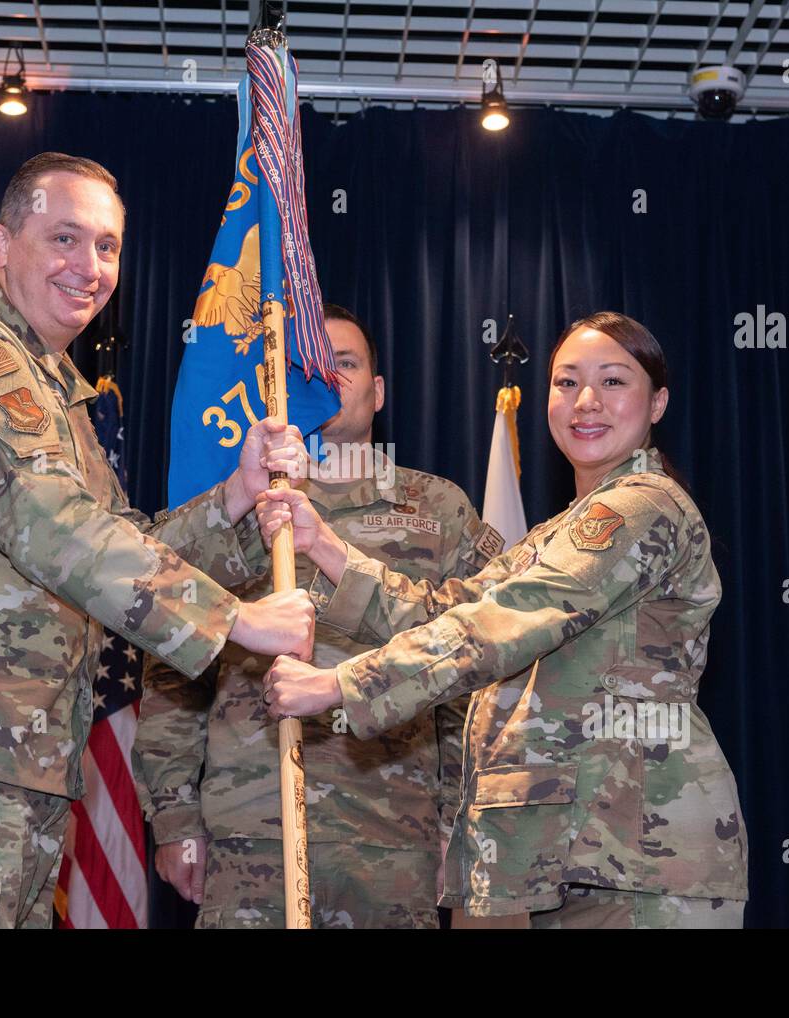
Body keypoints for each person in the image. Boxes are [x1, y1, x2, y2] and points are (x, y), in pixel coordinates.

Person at [0, 152, 315, 929]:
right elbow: (54, 527)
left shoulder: (59, 397)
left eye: (108, 246)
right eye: (65, 239)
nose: (90, 266)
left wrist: (237, 499)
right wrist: (236, 621)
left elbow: (117, 541)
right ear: (2, 244)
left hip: (15, 765)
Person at [258, 311, 749, 929]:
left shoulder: (641, 507)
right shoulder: (560, 529)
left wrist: (342, 685)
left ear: (658, 404)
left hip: (637, 855)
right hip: (543, 853)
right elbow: (451, 609)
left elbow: (506, 622)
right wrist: (326, 549)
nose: (586, 402)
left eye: (614, 381)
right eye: (567, 382)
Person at [135, 305, 504, 928]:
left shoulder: (438, 509)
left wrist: (459, 820)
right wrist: (174, 816)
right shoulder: (239, 503)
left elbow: (472, 675)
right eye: (310, 366)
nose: (328, 377)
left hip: (393, 832)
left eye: (347, 363)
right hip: (252, 829)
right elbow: (172, 660)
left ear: (378, 390)